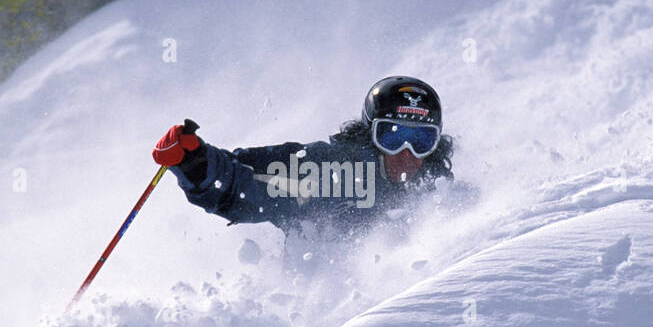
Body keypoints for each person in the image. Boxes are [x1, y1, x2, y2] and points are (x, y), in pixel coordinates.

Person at [152, 76, 454, 236]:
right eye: (392, 136)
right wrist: (197, 165)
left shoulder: (438, 188)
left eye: (421, 140)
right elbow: (249, 189)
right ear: (369, 137)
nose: (406, 153)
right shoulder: (336, 174)